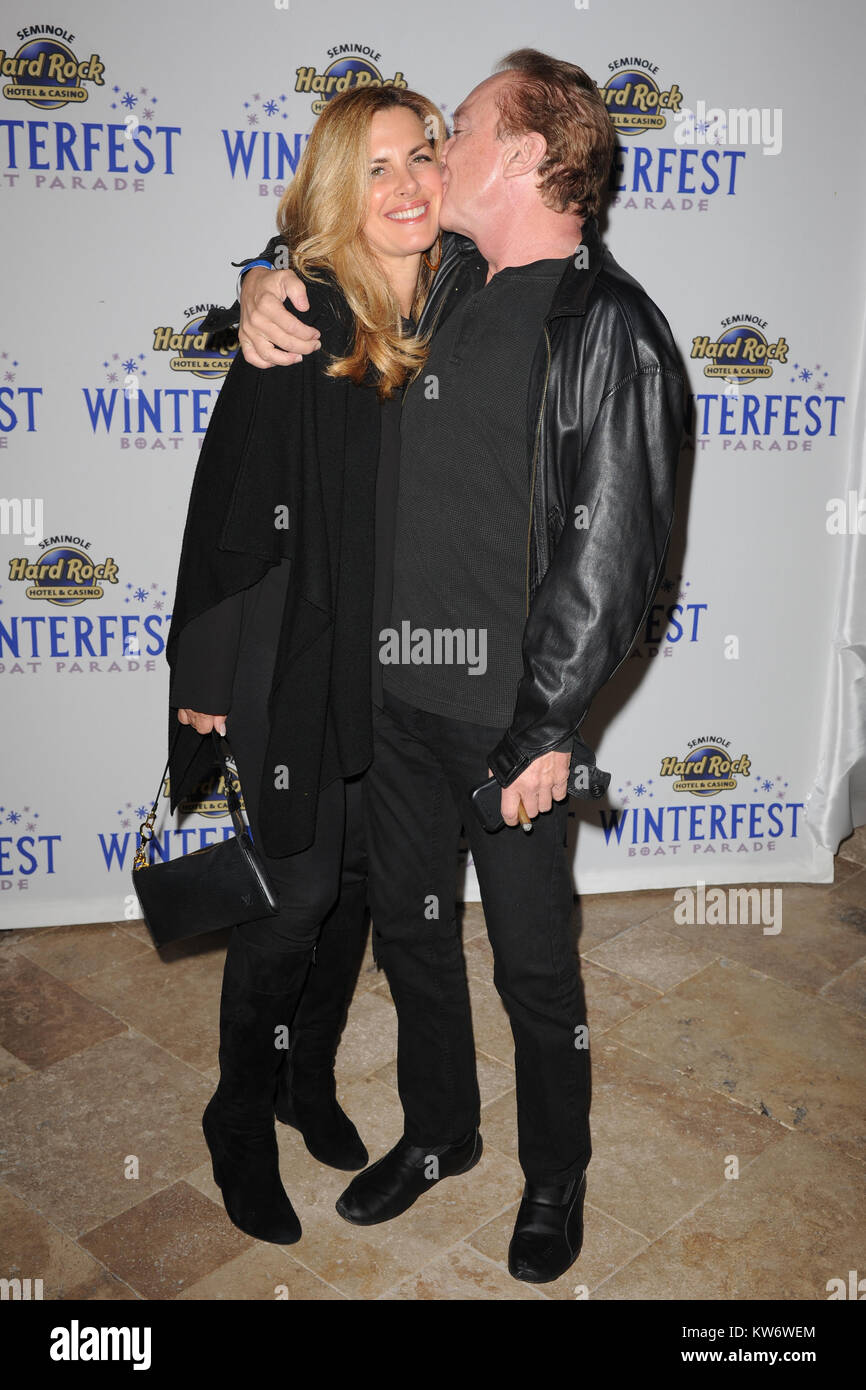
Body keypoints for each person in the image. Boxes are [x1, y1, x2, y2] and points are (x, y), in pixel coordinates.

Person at [236, 48, 686, 1282]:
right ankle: (440, 1134)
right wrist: (258, 277)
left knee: (534, 965)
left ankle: (556, 1173)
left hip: (508, 733)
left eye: (462, 127)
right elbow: (325, 257)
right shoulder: (445, 282)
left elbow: (614, 559)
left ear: (527, 152)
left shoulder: (611, 330)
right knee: (415, 937)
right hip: (396, 702)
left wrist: (546, 732)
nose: (438, 152)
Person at [165, 83, 445, 1245]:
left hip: (406, 675)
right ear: (335, 194)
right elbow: (227, 513)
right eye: (374, 167)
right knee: (292, 904)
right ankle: (235, 1115)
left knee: (363, 893)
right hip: (292, 662)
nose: (408, 183)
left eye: (421, 155)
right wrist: (206, 688)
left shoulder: (460, 298)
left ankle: (302, 1080)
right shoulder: (299, 320)